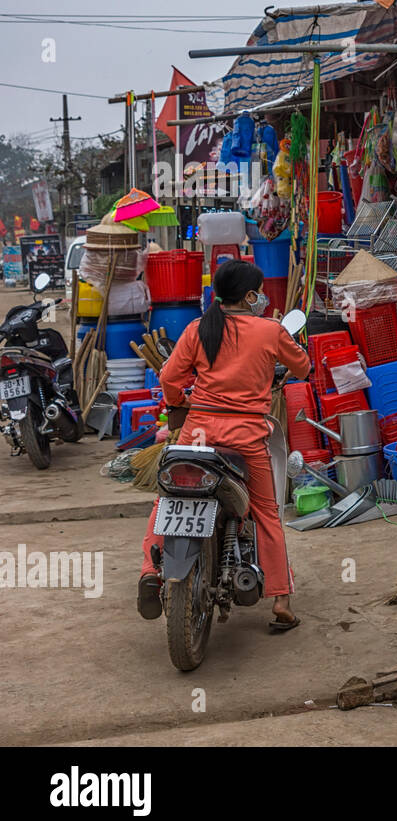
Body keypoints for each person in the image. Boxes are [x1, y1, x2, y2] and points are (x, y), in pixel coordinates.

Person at [137, 260, 311, 631]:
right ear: (250, 296)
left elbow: (169, 377)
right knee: (266, 513)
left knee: (167, 498)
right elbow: (303, 369)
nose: (262, 298)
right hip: (246, 438)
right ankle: (280, 599)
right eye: (259, 292)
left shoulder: (198, 328)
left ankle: (151, 569)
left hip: (197, 433)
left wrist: (180, 402)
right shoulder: (269, 330)